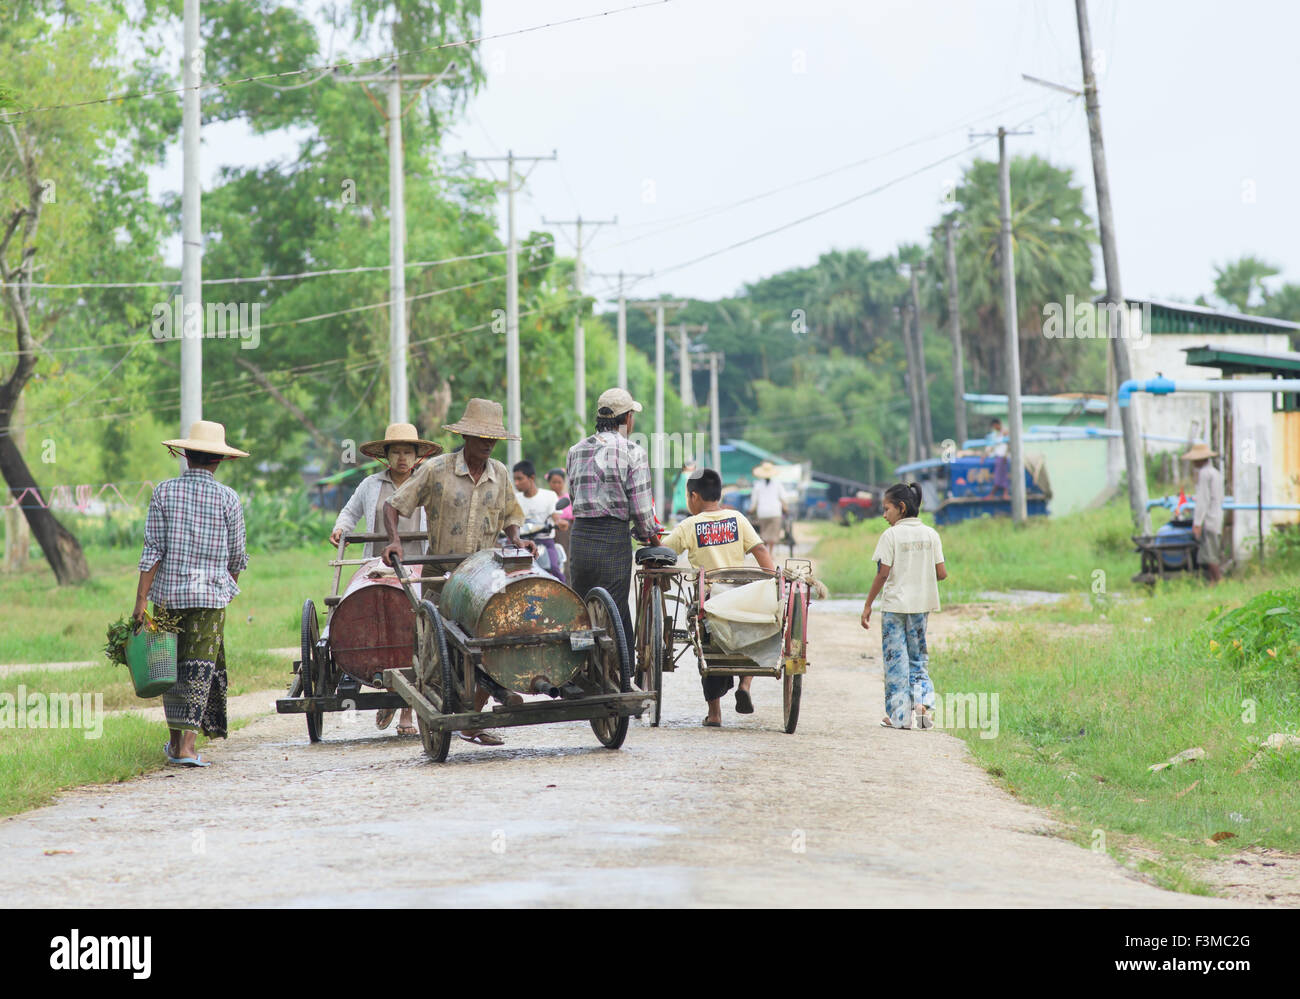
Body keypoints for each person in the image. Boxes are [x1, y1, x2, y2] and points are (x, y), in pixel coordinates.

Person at [381, 398, 535, 746]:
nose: (488, 442)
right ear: (465, 435)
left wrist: (518, 540)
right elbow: (395, 505)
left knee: (489, 643)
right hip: (441, 573)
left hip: (483, 575)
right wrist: (395, 542)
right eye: (481, 436)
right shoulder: (437, 470)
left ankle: (472, 717)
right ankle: (441, 713)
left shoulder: (501, 474)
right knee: (441, 652)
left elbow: (511, 518)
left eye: (493, 437)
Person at [133, 420, 249, 768]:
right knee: (200, 667)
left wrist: (141, 601)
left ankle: (173, 743)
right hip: (210, 598)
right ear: (218, 461)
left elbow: (152, 550)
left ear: (185, 456)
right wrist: (225, 586)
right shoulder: (229, 498)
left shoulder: (164, 492)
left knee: (169, 666)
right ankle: (186, 746)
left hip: (167, 596)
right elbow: (238, 556)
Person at [330, 423, 441, 737]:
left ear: (418, 456)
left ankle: (406, 708)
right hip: (374, 565)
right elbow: (349, 513)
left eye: (409, 452)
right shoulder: (370, 484)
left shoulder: (427, 482)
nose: (403, 458)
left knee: (413, 629)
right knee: (374, 623)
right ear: (386, 456)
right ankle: (382, 683)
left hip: (416, 565)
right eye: (397, 452)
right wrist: (341, 529)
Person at [663, 468, 776, 727]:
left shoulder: (689, 525)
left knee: (706, 647)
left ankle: (714, 714)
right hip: (741, 597)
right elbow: (760, 550)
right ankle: (745, 685)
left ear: (693, 496)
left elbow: (665, 551)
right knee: (755, 633)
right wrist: (773, 582)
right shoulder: (737, 518)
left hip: (710, 600)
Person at [566, 387, 659, 646]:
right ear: (627, 418)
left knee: (582, 608)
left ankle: (579, 666)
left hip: (581, 538)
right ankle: (621, 671)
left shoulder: (575, 450)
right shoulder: (633, 452)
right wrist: (650, 540)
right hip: (612, 540)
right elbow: (642, 512)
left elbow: (573, 497)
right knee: (616, 607)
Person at [859, 482, 948, 730]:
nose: (884, 515)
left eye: (886, 509)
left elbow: (882, 574)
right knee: (918, 658)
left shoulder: (891, 536)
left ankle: (899, 717)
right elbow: (941, 573)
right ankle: (922, 704)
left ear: (901, 507)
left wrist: (868, 605)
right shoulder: (931, 535)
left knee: (896, 660)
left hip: (895, 607)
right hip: (921, 608)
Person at [1184, 443, 1224, 584]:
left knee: (1210, 554)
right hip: (1217, 516)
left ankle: (1218, 580)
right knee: (1210, 551)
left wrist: (1197, 523)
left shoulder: (1204, 474)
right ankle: (1213, 581)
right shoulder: (1215, 473)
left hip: (1209, 519)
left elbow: (1202, 501)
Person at [748, 461, 788, 549]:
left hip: (762, 513)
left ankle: (765, 550)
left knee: (764, 532)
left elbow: (754, 501)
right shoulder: (777, 484)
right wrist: (785, 508)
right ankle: (770, 552)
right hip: (775, 512)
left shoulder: (758, 485)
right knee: (773, 533)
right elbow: (783, 498)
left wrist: (751, 510)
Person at [513, 460, 560, 526]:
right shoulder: (514, 499)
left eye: (519, 479)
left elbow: (557, 519)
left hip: (546, 536)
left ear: (532, 478)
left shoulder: (550, 496)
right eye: (514, 479)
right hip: (522, 536)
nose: (516, 483)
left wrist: (560, 523)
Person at [546, 466, 574, 559]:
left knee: (565, 555)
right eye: (554, 482)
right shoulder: (546, 498)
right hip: (548, 531)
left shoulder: (568, 498)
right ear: (549, 482)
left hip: (565, 532)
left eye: (559, 482)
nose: (556, 485)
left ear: (564, 482)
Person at [986, 418, 1010, 500]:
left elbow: (1008, 444)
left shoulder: (1005, 432)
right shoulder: (997, 434)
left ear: (997, 425)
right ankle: (1002, 493)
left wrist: (1006, 455)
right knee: (1001, 475)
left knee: (1000, 476)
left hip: (1002, 457)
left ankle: (995, 494)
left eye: (994, 426)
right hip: (998, 456)